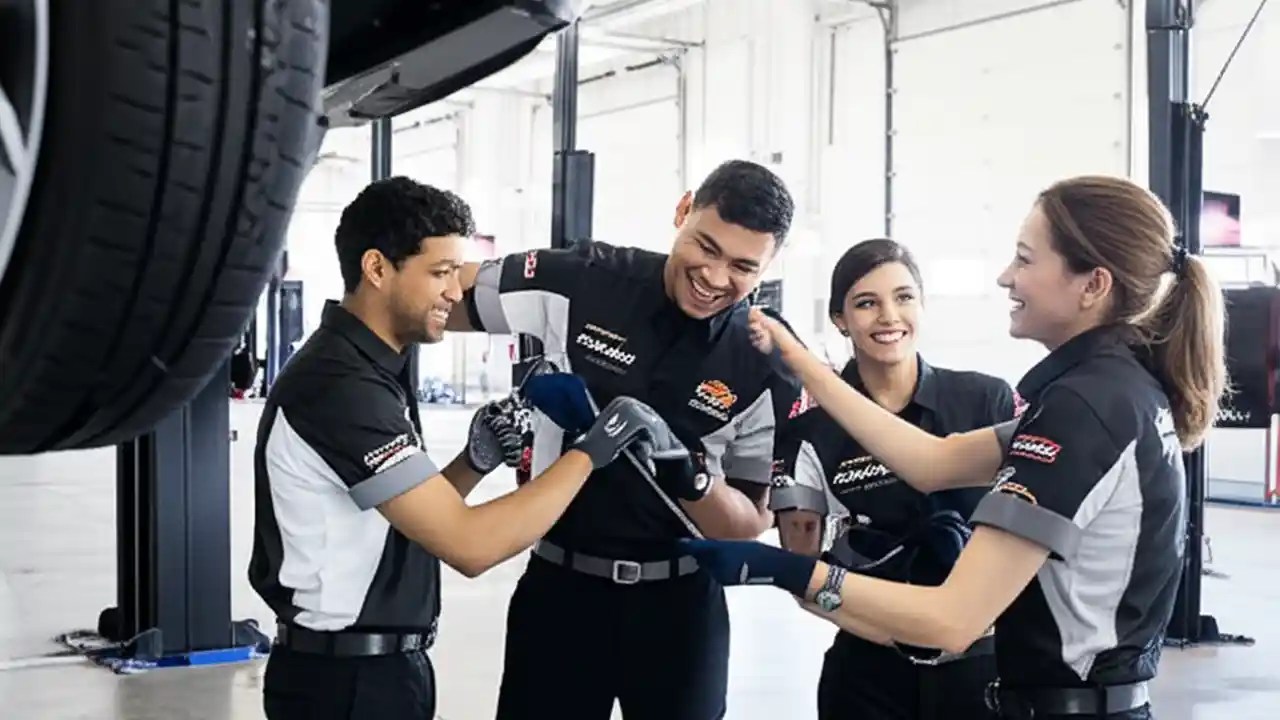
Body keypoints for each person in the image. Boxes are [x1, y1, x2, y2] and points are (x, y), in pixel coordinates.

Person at [682, 175, 1227, 720]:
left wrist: (787, 572)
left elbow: (953, 619)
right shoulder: (1111, 391)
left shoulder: (1082, 410)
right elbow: (932, 462)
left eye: (1025, 259)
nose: (1005, 277)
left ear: (1093, 285)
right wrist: (799, 360)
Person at [248, 177, 685, 720]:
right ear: (377, 268)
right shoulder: (341, 385)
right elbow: (470, 545)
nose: (457, 292)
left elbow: (397, 520)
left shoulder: (373, 365)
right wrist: (592, 450)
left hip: (377, 672)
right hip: (344, 685)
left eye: (458, 272)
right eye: (440, 273)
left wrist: (471, 465)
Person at [447, 159, 806, 720]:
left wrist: (689, 472)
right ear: (683, 210)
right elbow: (439, 295)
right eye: (706, 248)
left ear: (770, 263)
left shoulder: (766, 364)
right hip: (561, 592)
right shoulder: (585, 278)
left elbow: (747, 523)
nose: (714, 278)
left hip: (680, 608)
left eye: (742, 266)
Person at [771, 238, 1016, 719]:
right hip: (869, 670)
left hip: (984, 666)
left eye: (904, 297)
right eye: (867, 303)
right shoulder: (808, 433)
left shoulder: (987, 401)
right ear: (840, 319)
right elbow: (800, 574)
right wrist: (904, 633)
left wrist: (959, 625)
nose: (889, 316)